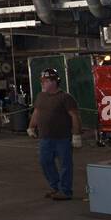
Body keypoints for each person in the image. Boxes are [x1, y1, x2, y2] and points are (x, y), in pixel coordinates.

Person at [27, 67, 83, 200]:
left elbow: (74, 116)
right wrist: (31, 127)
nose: (42, 83)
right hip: (45, 138)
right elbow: (36, 112)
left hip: (62, 138)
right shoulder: (41, 96)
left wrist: (76, 135)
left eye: (45, 81)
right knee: (45, 162)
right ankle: (56, 187)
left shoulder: (65, 98)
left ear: (53, 82)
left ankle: (65, 191)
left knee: (65, 165)